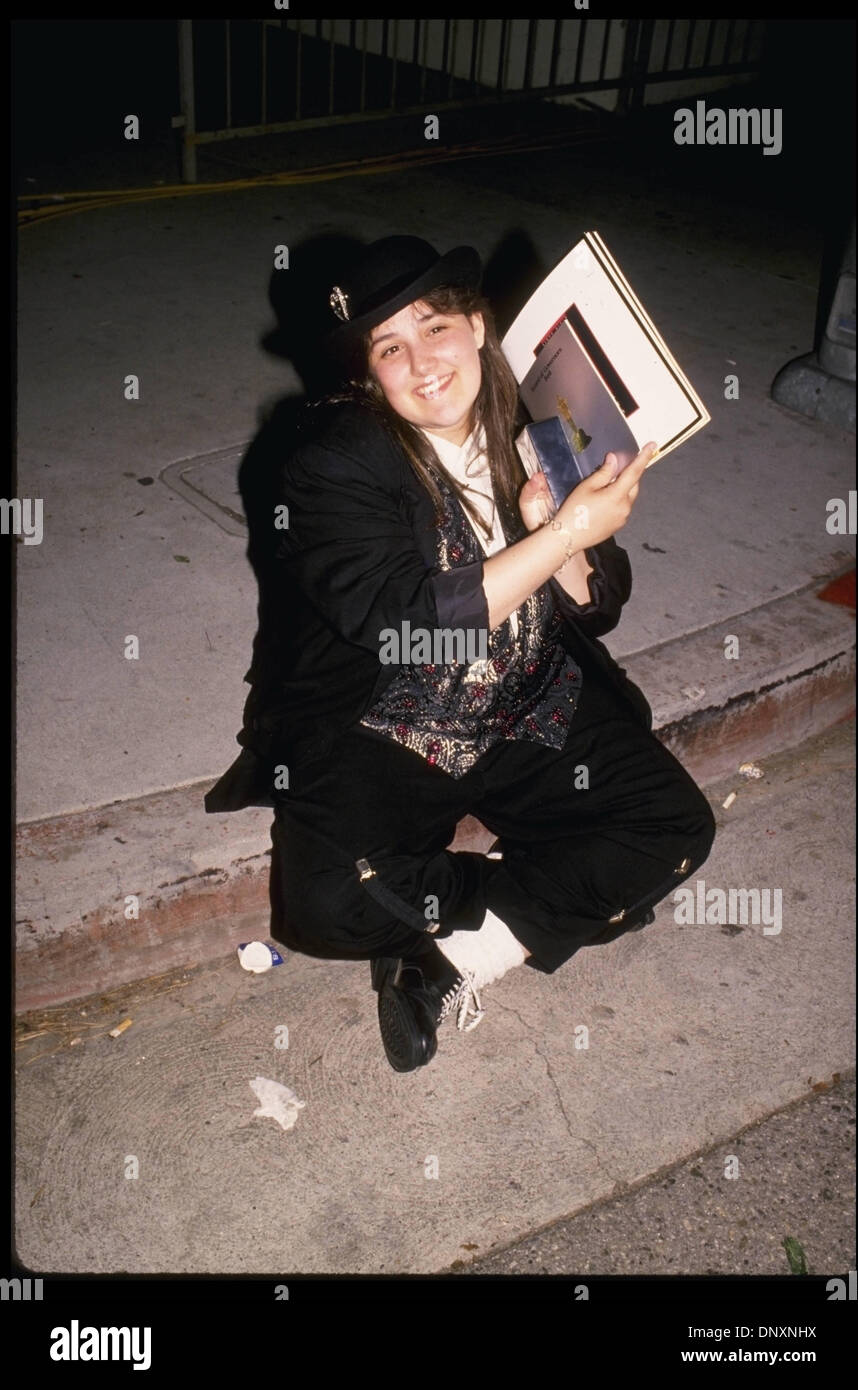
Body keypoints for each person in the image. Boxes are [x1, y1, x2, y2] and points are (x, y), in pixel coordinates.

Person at [205, 234, 715, 1073]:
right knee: (329, 910)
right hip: (389, 716)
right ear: (370, 375)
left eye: (435, 326)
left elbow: (600, 606)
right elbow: (410, 623)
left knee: (675, 828)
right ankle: (558, 890)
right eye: (389, 347)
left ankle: (448, 959)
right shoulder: (328, 463)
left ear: (478, 326)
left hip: (527, 695)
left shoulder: (534, 416)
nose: (422, 362)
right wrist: (559, 536)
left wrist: (566, 532)